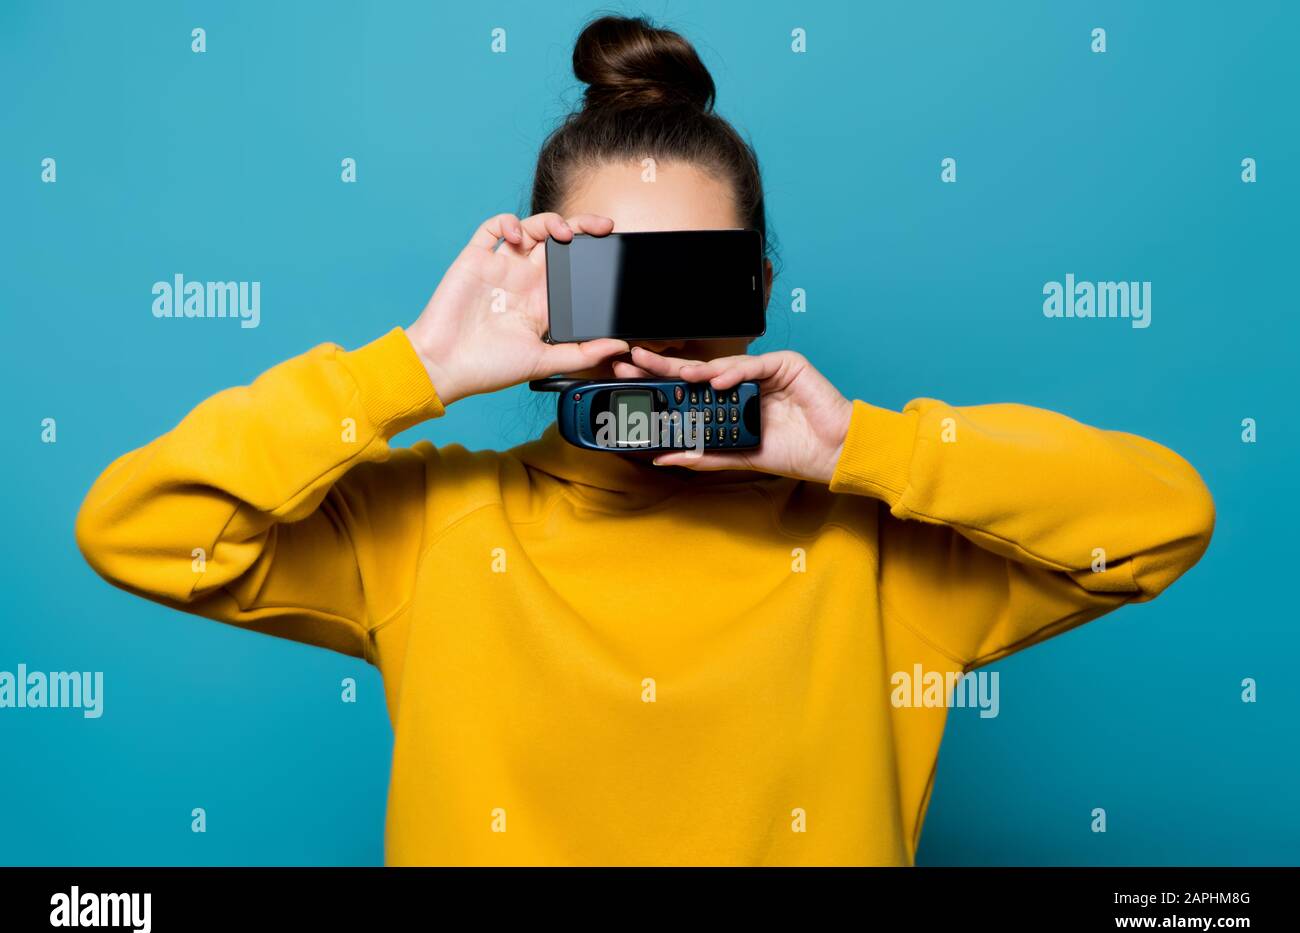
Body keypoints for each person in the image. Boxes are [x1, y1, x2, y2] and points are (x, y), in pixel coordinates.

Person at [75, 15, 1214, 865]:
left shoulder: (881, 549)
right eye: (612, 277)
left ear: (759, 286)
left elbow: (1161, 519)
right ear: (541, 290)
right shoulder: (425, 531)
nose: (653, 332)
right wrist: (414, 367)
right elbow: (141, 527)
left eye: (695, 277)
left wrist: (861, 447)